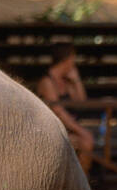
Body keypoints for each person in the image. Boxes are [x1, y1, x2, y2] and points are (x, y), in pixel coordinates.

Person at [36, 43, 94, 172]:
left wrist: (76, 80)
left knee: (86, 141)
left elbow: (82, 103)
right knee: (85, 141)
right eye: (73, 59)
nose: (74, 63)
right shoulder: (47, 82)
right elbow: (59, 112)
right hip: (51, 131)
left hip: (68, 128)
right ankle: (78, 185)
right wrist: (81, 131)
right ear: (66, 60)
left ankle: (80, 184)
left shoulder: (67, 81)